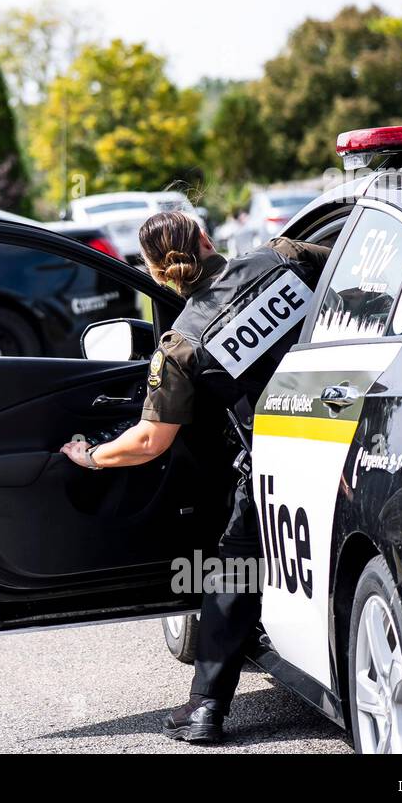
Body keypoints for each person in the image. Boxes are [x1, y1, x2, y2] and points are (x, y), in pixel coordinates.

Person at [60, 210, 331, 744]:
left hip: (286, 462)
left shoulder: (181, 345)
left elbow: (148, 442)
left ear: (159, 273)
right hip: (358, 431)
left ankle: (206, 708)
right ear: (206, 239)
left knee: (233, 574)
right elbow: (363, 276)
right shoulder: (285, 257)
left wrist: (90, 456)